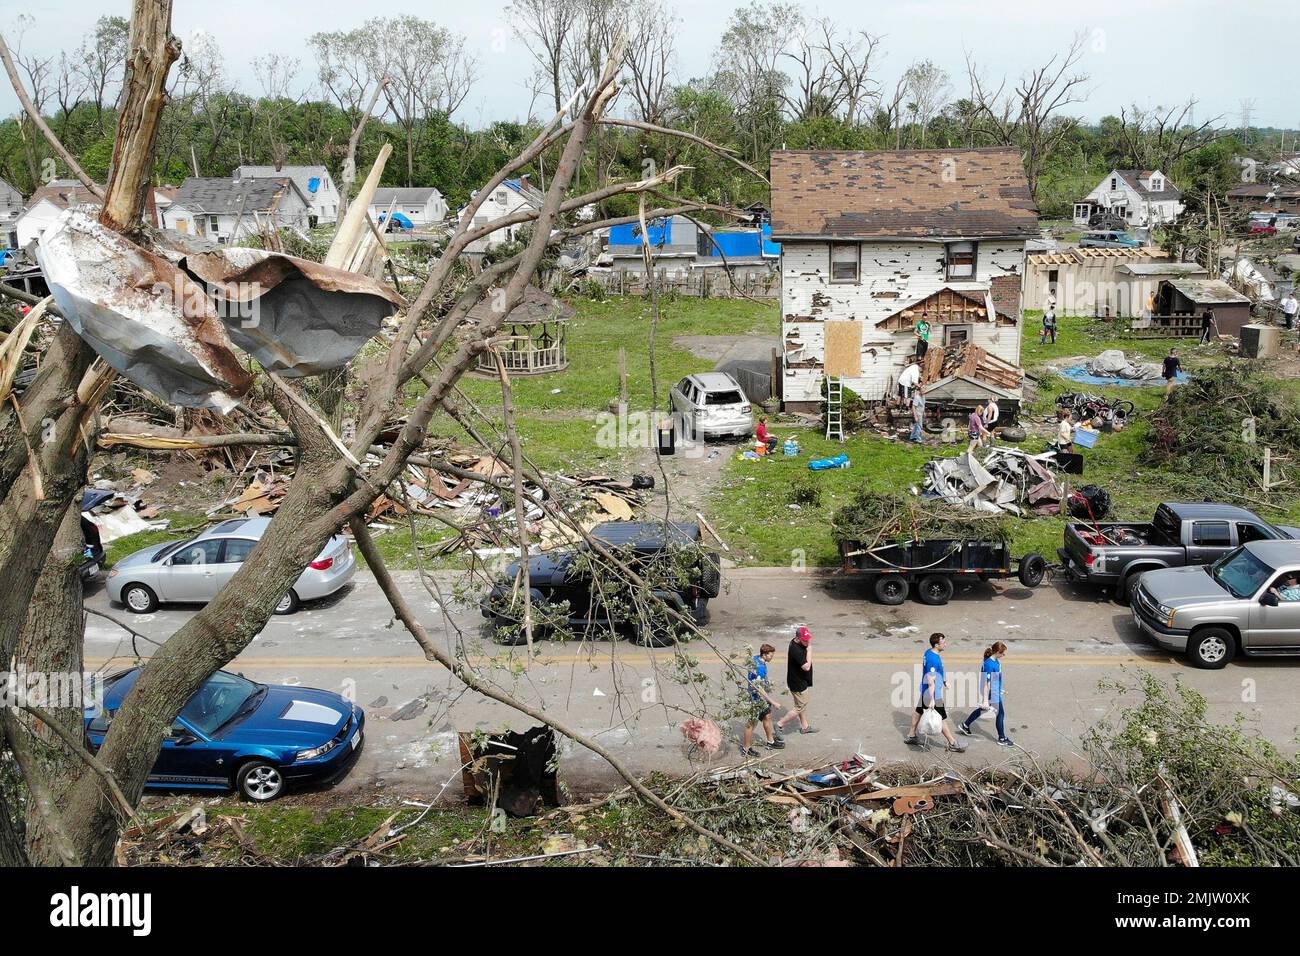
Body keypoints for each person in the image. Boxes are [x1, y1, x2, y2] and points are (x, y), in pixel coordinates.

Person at [904, 633, 966, 752]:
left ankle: (911, 736)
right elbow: (930, 680)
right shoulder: (933, 659)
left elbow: (937, 672)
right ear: (936, 644)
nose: (946, 644)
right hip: (932, 694)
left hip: (926, 691)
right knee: (941, 718)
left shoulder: (929, 652)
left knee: (918, 712)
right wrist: (932, 699)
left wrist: (944, 681)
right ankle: (953, 743)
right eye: (943, 643)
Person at [957, 641, 1013, 747]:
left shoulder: (995, 661)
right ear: (997, 652)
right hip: (991, 693)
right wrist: (986, 700)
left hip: (995, 691)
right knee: (1000, 714)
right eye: (1003, 653)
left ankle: (965, 725)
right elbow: (987, 683)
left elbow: (995, 678)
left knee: (983, 709)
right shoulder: (989, 664)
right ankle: (1001, 738)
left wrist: (1000, 689)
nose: (1003, 655)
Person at [741, 644, 786, 757]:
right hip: (756, 699)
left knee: (767, 717)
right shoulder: (760, 668)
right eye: (771, 655)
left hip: (760, 699)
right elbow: (759, 689)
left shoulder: (756, 658)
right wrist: (773, 702)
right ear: (765, 654)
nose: (772, 657)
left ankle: (770, 741)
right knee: (751, 724)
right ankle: (746, 748)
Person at [776, 626, 817, 735]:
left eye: (808, 639)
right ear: (798, 638)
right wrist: (809, 651)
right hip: (798, 683)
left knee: (800, 704)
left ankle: (805, 726)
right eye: (805, 640)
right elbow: (806, 667)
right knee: (800, 706)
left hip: (797, 679)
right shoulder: (796, 650)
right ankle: (779, 724)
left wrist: (806, 645)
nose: (807, 641)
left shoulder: (796, 642)